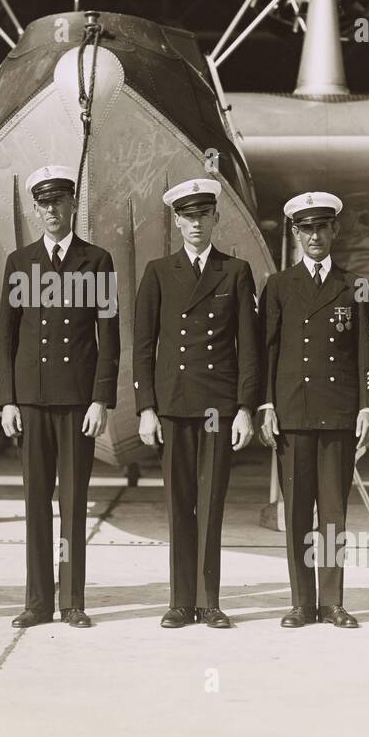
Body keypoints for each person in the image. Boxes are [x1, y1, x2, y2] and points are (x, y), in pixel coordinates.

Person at [133, 177, 261, 629]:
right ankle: (179, 601)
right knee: (179, 503)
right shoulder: (158, 272)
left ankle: (209, 601)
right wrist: (146, 407)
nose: (195, 223)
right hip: (174, 404)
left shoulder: (235, 271)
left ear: (215, 218)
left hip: (217, 407)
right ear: (176, 221)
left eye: (203, 215)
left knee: (210, 503)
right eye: (187, 216)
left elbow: (249, 346)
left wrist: (246, 407)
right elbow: (144, 345)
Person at [0, 165, 120, 629]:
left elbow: (109, 336)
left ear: (72, 205)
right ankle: (36, 602)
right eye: (43, 203)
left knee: (72, 500)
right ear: (35, 209)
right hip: (30, 401)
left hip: (76, 402)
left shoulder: (97, 260)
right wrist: (7, 399)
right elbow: (6, 337)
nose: (51, 210)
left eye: (59, 202)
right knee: (35, 502)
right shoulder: (19, 263)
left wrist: (100, 399)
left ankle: (72, 600)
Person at [259, 191, 369, 629]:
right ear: (295, 233)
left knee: (333, 512)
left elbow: (368, 351)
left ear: (335, 231)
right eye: (306, 228)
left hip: (339, 414)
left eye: (321, 227)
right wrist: (266, 404)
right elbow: (266, 351)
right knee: (296, 512)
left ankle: (332, 602)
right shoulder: (278, 286)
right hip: (293, 413)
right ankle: (300, 602)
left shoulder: (355, 285)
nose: (314, 236)